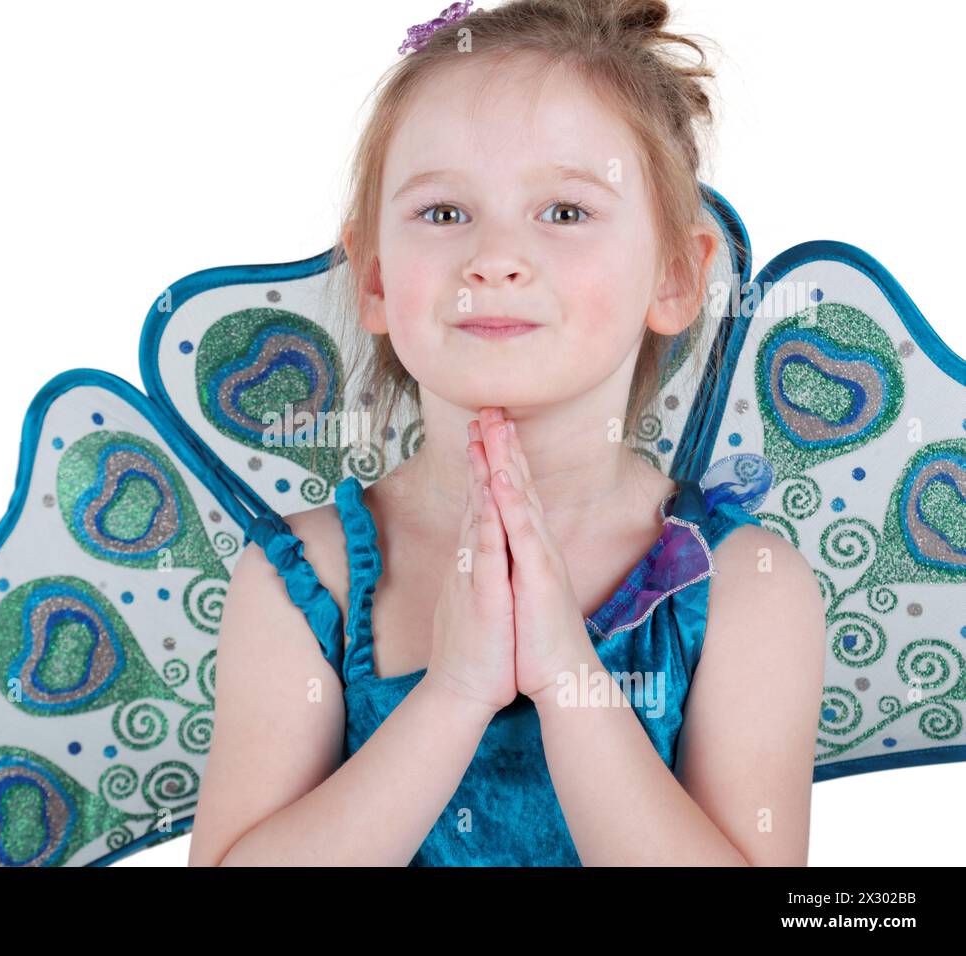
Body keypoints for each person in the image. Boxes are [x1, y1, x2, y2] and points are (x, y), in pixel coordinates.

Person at [187, 0, 826, 866]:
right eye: (444, 212)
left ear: (676, 275)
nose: (494, 256)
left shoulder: (746, 590)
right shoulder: (305, 584)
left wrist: (570, 676)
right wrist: (453, 693)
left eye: (564, 211)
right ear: (374, 279)